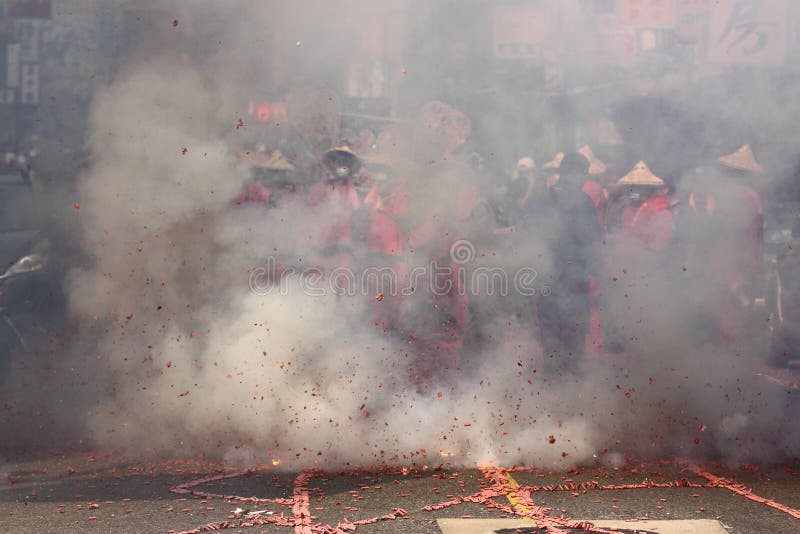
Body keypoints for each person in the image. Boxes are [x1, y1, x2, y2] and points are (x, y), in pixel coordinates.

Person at [519, 152, 602, 376]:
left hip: (546, 273)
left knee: (549, 327)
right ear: (573, 172)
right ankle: (573, 380)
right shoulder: (583, 200)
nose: (584, 179)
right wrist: (594, 271)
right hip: (574, 276)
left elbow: (530, 233)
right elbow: (591, 238)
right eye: (583, 174)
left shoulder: (541, 197)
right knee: (575, 329)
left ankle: (553, 376)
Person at [604, 161, 676, 352]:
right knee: (619, 305)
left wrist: (647, 257)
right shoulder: (631, 205)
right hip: (624, 264)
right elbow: (627, 229)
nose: (632, 192)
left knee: (639, 308)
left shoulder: (660, 209)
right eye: (631, 187)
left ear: (648, 189)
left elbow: (663, 239)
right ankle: (620, 341)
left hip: (644, 268)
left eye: (636, 188)